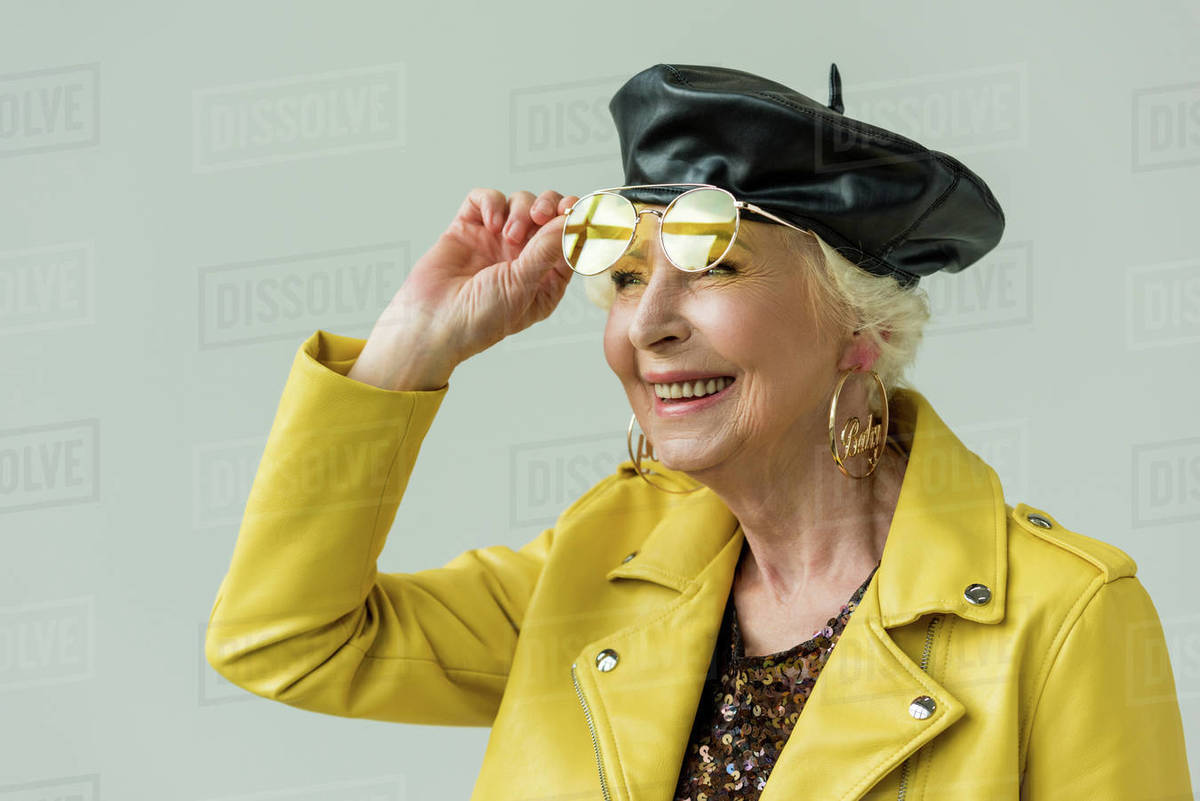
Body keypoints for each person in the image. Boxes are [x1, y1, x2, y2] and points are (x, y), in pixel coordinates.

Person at [205, 64, 1193, 801]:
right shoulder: (598, 569)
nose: (647, 325)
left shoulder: (1062, 618)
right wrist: (411, 351)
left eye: (712, 267)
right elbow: (288, 641)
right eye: (627, 278)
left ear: (862, 322)